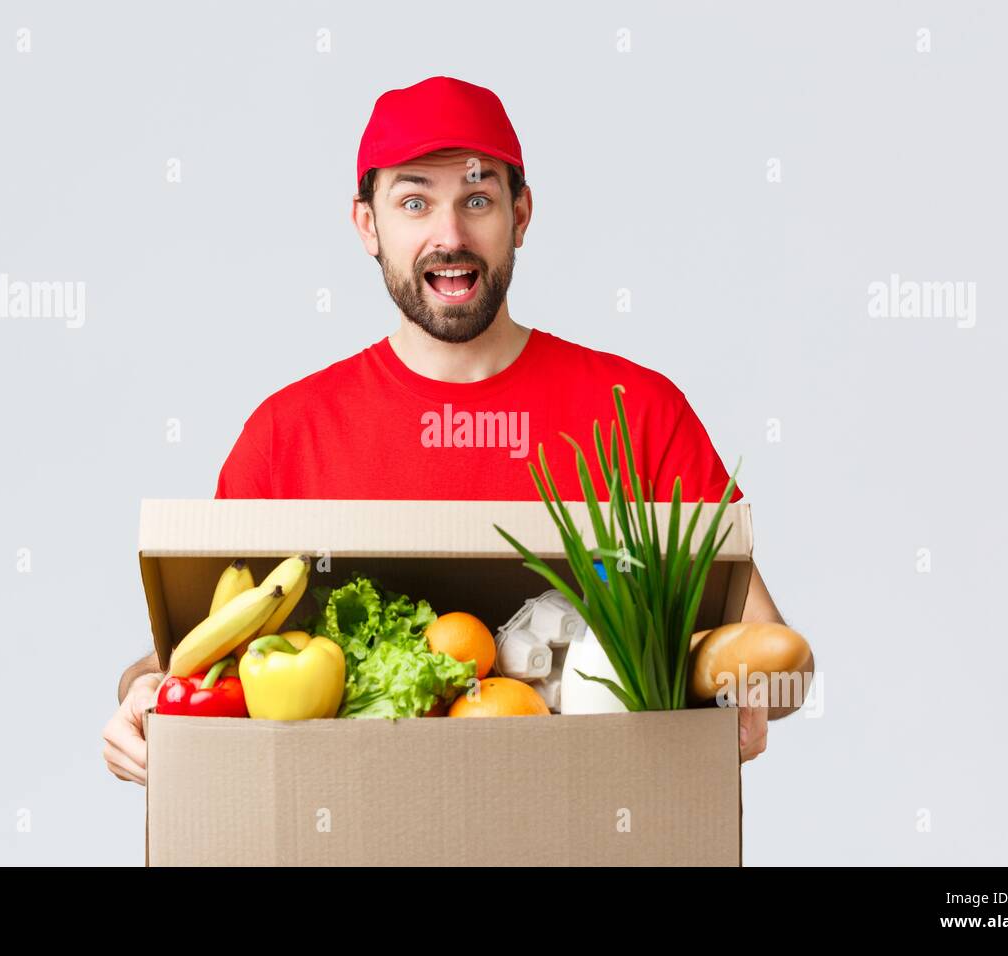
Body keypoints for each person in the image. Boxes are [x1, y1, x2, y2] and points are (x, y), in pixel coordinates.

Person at [104, 76, 793, 785]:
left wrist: (740, 695)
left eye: (477, 199)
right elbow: (187, 659)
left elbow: (776, 655)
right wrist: (138, 695)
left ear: (520, 215)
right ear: (368, 224)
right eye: (413, 202)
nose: (450, 236)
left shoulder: (637, 410)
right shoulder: (286, 435)